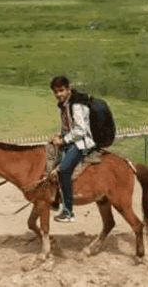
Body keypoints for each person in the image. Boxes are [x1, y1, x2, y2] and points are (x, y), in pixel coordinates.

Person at [50, 76, 96, 222]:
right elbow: (67, 126)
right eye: (56, 92)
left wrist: (63, 140)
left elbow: (81, 130)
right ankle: (55, 198)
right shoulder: (64, 104)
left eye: (61, 90)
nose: (58, 94)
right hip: (72, 139)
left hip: (82, 142)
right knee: (50, 161)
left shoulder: (76, 104)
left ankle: (68, 211)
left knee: (63, 169)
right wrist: (58, 135)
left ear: (69, 88)